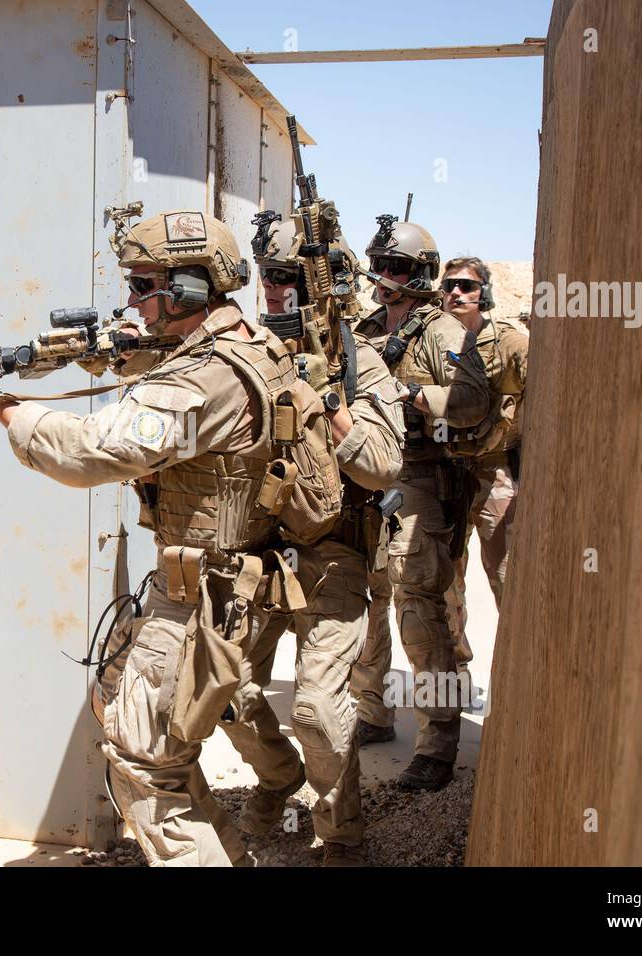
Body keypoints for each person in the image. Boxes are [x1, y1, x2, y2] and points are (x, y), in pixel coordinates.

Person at [0, 208, 332, 865]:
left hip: (198, 598)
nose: (133, 302)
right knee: (127, 720)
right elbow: (148, 367)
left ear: (189, 292)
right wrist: (58, 356)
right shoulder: (244, 344)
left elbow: (91, 451)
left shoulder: (204, 378)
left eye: (144, 286)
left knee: (142, 764)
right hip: (207, 583)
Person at [219, 213, 404, 865]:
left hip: (335, 560)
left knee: (319, 712)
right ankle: (277, 780)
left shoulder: (363, 364)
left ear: (322, 285)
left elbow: (381, 465)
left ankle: (341, 836)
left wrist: (331, 396)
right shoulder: (244, 355)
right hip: (261, 554)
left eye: (288, 277)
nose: (272, 288)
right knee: (220, 688)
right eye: (265, 275)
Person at [349, 215, 489, 791]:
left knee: (419, 610)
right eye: (379, 265)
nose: (385, 277)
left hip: (422, 481)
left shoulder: (440, 333)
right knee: (365, 600)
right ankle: (373, 712)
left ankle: (437, 743)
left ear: (421, 274)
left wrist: (413, 393)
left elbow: (474, 400)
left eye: (398, 267)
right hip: (368, 476)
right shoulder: (366, 327)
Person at [438, 256, 528, 648]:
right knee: (443, 583)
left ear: (484, 294)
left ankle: (518, 672)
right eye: (450, 286)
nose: (456, 293)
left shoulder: (508, 342)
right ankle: (453, 675)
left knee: (510, 578)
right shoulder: (431, 340)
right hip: (445, 471)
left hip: (494, 472)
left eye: (467, 286)